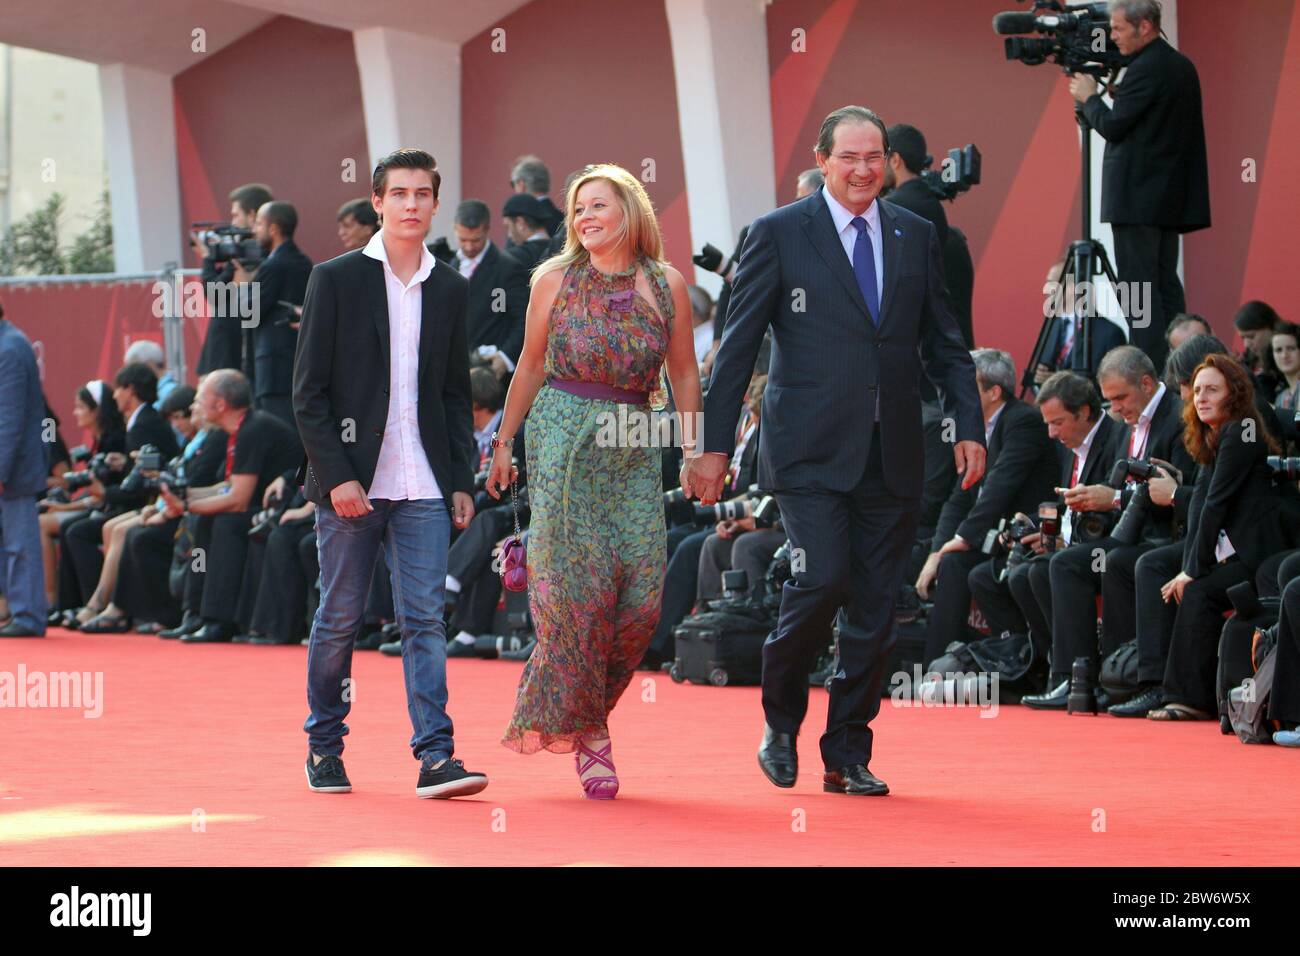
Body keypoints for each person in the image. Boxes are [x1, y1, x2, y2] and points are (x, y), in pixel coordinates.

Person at [688, 105, 985, 796]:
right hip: (809, 450)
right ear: (823, 160)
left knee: (878, 609)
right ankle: (781, 722)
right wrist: (711, 448)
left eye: (874, 157)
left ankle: (847, 750)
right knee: (820, 579)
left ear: (888, 162)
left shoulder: (915, 234)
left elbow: (944, 338)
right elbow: (735, 353)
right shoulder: (777, 234)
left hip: (895, 451)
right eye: (848, 157)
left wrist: (969, 422)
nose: (862, 170)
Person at [485, 162, 702, 799]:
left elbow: (685, 374)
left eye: (596, 206)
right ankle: (593, 734)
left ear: (631, 212)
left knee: (639, 601)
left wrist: (693, 448)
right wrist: (504, 444)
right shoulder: (553, 278)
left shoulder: (667, 285)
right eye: (577, 210)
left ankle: (581, 710)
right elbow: (527, 365)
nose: (584, 219)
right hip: (562, 436)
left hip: (635, 437)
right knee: (576, 595)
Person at [293, 147, 487, 799]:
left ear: (435, 203)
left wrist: (460, 477)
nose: (410, 204)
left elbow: (455, 396)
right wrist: (338, 474)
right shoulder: (336, 279)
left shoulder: (452, 288)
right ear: (377, 202)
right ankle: (324, 745)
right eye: (398, 193)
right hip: (352, 482)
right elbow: (308, 393)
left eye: (422, 194)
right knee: (340, 615)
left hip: (424, 482)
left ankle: (436, 756)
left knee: (426, 619)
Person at [1150, 355, 1295, 720]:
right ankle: (1170, 690)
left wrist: (1192, 571)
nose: (1201, 397)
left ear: (1234, 392)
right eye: (1197, 390)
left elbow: (1216, 503)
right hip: (1234, 552)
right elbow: (1200, 501)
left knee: (1198, 590)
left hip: (1261, 551)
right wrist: (1190, 566)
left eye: (1212, 389)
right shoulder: (1213, 433)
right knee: (1185, 584)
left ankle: (1189, 700)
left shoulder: (1243, 426)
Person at [1070, 0, 1210, 372]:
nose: (1111, 37)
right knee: (1164, 286)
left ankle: (1150, 369)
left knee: (1139, 292)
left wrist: (1089, 97)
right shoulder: (1178, 64)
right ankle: (1181, 365)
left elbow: (1114, 127)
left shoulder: (1146, 68)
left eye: (1117, 29)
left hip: (1136, 201)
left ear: (1144, 26)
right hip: (1165, 201)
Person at [916, 348, 1057, 664]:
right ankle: (938, 667)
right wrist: (936, 552)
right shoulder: (974, 427)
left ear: (994, 391)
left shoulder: (1023, 421)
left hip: (1026, 535)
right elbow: (959, 497)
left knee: (959, 565)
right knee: (949, 564)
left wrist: (961, 539)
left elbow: (999, 487)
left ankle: (1011, 661)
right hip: (989, 536)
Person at [233, 200, 312, 426]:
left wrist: (242, 287)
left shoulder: (274, 265)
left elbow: (249, 311)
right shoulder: (303, 261)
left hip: (274, 370)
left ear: (273, 229)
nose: (254, 230)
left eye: (258, 224)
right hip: (296, 362)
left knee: (280, 431)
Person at [0, 303, 49, 637]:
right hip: (11, 463)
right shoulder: (10, 344)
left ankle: (28, 615)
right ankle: (20, 609)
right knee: (13, 542)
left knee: (20, 542)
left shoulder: (9, 350)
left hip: (13, 466)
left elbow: (9, 419)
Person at [195, 183, 274, 374]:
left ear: (252, 215)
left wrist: (208, 258)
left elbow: (214, 293)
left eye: (236, 215)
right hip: (226, 352)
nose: (233, 222)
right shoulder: (244, 253)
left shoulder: (261, 256)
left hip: (236, 356)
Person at [451, 199, 530, 369]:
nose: (469, 246)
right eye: (463, 240)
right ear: (454, 229)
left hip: (490, 371)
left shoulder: (507, 268)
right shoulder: (449, 266)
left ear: (487, 230)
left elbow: (522, 319)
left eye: (476, 240)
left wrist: (505, 356)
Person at [501, 193, 554, 271]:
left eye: (508, 226)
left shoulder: (514, 258)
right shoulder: (562, 249)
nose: (509, 234)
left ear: (520, 223)